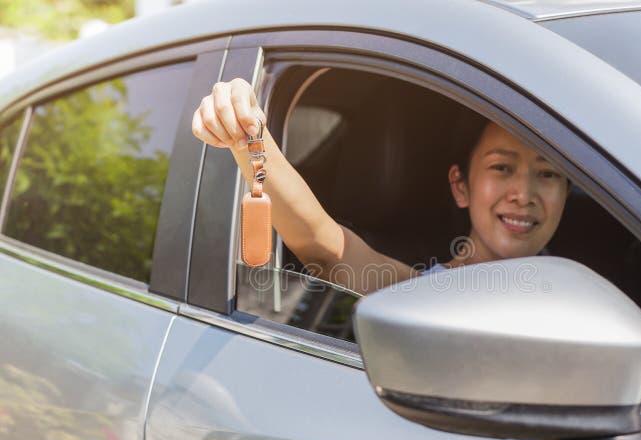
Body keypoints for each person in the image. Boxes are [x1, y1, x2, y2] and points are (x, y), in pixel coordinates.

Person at [192, 78, 570, 294]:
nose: (524, 193)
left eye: (549, 174)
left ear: (568, 191)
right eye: (502, 167)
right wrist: (247, 138)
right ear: (460, 185)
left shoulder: (587, 292)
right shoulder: (424, 294)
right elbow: (324, 248)